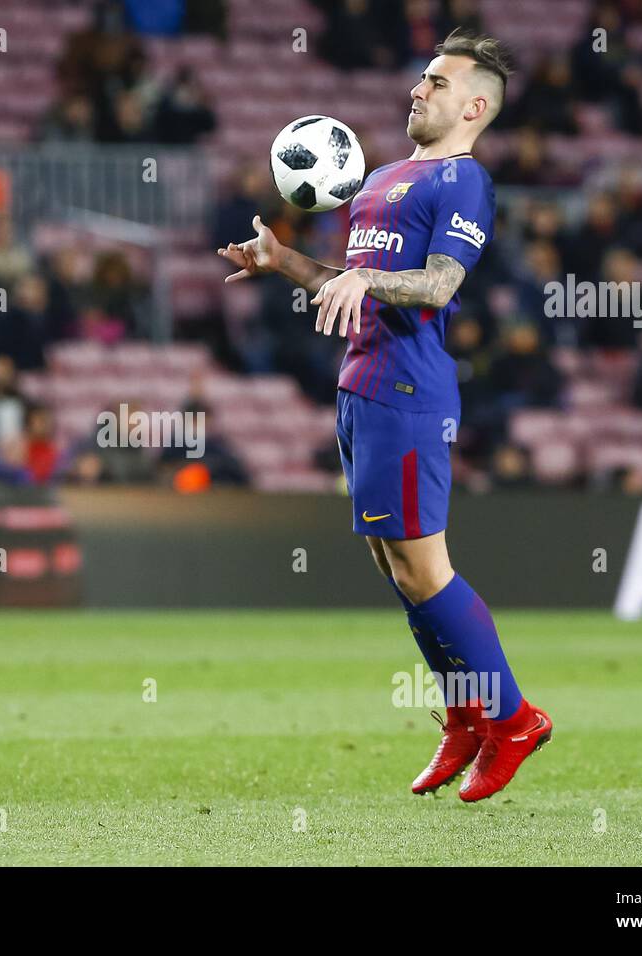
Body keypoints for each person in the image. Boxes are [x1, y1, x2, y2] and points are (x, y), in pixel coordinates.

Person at [217, 30, 551, 803]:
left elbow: (434, 287)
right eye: (420, 77)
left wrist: (363, 278)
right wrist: (287, 265)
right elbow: (353, 284)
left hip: (410, 391)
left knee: (425, 567)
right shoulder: (383, 179)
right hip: (360, 384)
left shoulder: (464, 182)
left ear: (474, 106)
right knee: (393, 565)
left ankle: (515, 719)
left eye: (435, 82)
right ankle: (466, 716)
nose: (417, 89)